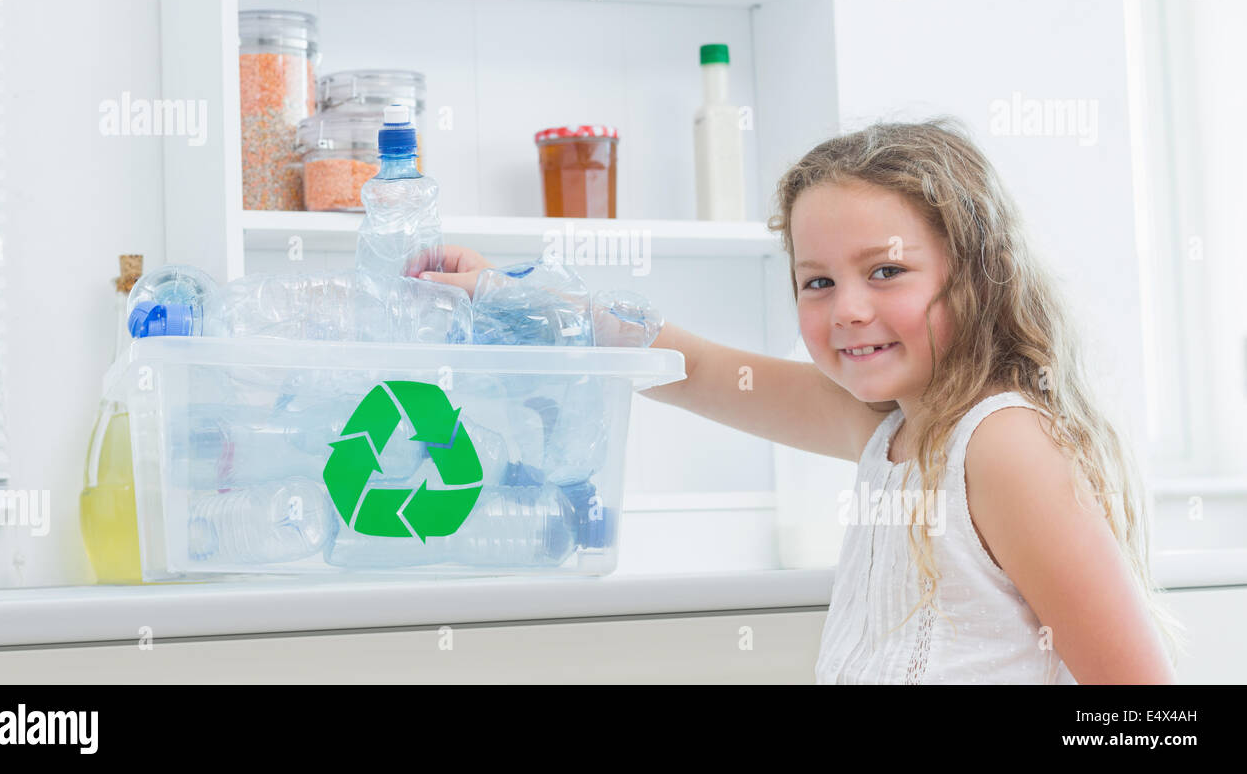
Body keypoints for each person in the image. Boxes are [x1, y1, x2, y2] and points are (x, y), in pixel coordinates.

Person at [418, 117, 1187, 684]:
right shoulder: (892, 429)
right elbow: (697, 369)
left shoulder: (999, 445)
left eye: (885, 272)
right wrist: (521, 300)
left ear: (981, 275)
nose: (846, 308)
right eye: (817, 281)